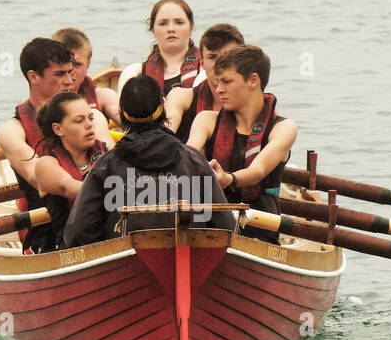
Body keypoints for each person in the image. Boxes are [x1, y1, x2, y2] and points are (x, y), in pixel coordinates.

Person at [63, 75, 235, 246]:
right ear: (163, 109)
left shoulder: (104, 166)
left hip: (124, 265)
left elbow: (78, 234)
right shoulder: (195, 160)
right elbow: (227, 227)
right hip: (192, 260)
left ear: (122, 114)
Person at [186, 45, 296, 241]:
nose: (219, 89)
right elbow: (188, 155)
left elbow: (258, 171)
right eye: (218, 82)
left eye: (227, 82)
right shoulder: (206, 120)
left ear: (253, 80)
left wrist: (228, 180)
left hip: (260, 225)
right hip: (211, 224)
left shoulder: (283, 128)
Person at [0, 38, 78, 253]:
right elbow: (38, 175)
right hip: (47, 227)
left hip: (93, 213)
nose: (69, 81)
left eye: (70, 73)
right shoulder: (11, 131)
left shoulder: (87, 116)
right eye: (60, 74)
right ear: (33, 77)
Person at [33, 91, 110, 250]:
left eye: (90, 118)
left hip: (111, 239)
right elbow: (69, 187)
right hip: (70, 250)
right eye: (79, 120)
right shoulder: (46, 165)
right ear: (58, 129)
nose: (89, 125)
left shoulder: (106, 152)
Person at [166, 22, 244, 140]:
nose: (220, 65)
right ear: (202, 64)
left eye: (227, 56)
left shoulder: (258, 106)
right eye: (212, 57)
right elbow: (164, 135)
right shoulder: (181, 98)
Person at [52, 27, 121, 128]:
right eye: (64, 63)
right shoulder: (38, 102)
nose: (70, 70)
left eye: (77, 64)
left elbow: (131, 125)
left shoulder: (104, 97)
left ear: (88, 65)